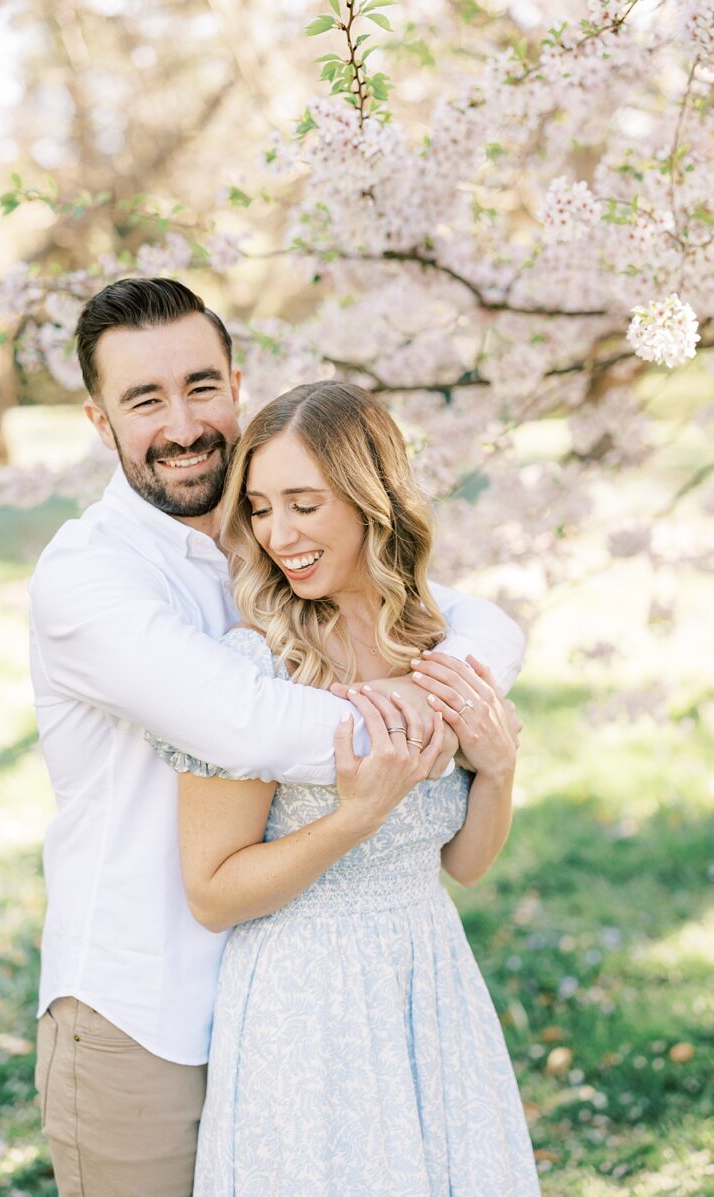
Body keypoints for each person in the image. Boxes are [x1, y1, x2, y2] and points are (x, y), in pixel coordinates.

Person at [28, 278, 526, 1196]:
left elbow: (479, 619)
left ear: (236, 382)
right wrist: (429, 722)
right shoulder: (88, 579)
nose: (182, 423)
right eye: (145, 400)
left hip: (340, 1004)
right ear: (100, 421)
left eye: (201, 386)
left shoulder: (271, 546)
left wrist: (478, 718)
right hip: (146, 1014)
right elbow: (247, 722)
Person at [152, 379, 538, 1194]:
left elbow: (464, 865)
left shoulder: (436, 647)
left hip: (428, 976)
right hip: (303, 1004)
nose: (278, 534)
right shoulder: (255, 671)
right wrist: (353, 817)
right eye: (259, 508)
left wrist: (498, 767)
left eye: (304, 503)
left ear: (372, 501)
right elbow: (213, 892)